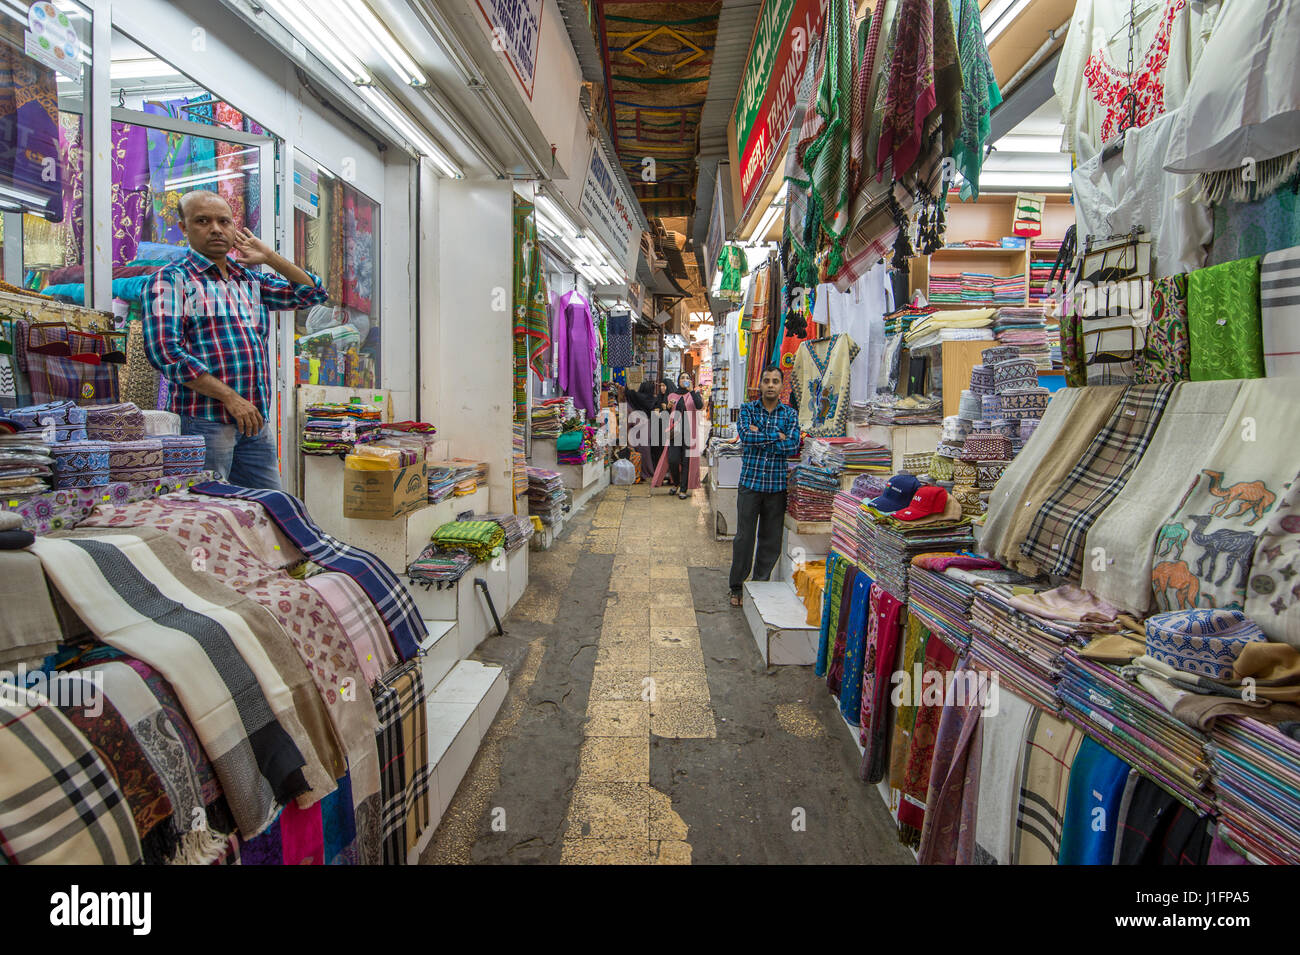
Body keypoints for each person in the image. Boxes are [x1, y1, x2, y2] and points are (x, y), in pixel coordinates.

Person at [143, 190, 328, 489]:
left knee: (270, 506)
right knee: (210, 512)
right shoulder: (171, 280)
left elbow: (312, 293)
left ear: (234, 228)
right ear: (184, 228)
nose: (216, 229)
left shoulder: (250, 280)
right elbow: (166, 353)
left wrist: (270, 257)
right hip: (203, 421)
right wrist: (230, 397)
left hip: (254, 419)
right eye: (203, 221)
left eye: (224, 221)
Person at [728, 365, 800, 607]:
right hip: (750, 484)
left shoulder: (789, 414)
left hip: (777, 487)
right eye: (766, 381)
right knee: (744, 538)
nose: (770, 385)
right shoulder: (748, 410)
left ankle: (760, 582)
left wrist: (763, 435)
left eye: (775, 381)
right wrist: (776, 436)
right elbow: (746, 437)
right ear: (760, 384)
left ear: (781, 386)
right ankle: (736, 586)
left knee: (770, 539)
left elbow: (793, 446)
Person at [652, 372, 704, 499]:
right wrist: (668, 407)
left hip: (689, 433)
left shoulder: (694, 394)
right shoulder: (672, 395)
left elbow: (700, 406)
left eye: (687, 378)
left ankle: (683, 489)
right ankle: (676, 483)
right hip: (675, 433)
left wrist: (691, 390)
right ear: (678, 381)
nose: (685, 380)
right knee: (673, 460)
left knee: (687, 461)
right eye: (682, 378)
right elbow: (666, 414)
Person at [620, 380, 659, 482]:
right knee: (645, 453)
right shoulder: (650, 400)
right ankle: (644, 473)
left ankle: (639, 473)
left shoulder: (632, 401)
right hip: (646, 429)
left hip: (636, 431)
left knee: (639, 453)